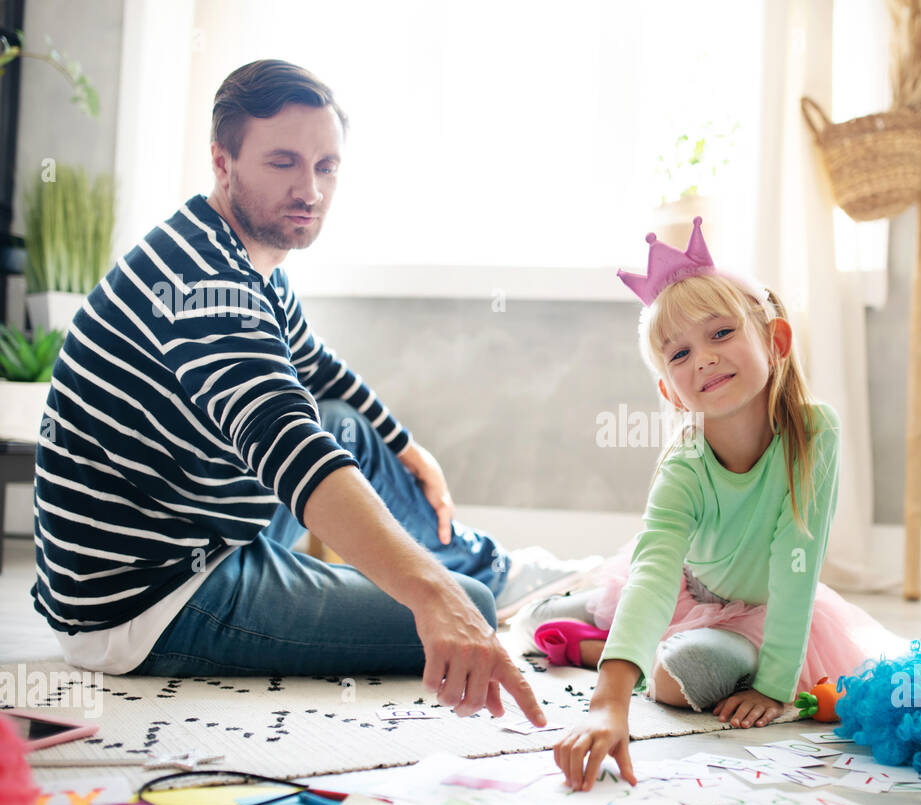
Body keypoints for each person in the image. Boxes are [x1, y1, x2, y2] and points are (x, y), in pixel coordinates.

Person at [30, 59, 570, 723]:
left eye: (326, 166)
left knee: (343, 423)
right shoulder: (208, 286)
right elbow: (289, 443)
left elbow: (315, 371)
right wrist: (433, 596)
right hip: (146, 601)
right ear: (222, 162)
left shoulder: (243, 259)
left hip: (201, 528)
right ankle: (482, 583)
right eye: (282, 162)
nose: (308, 189)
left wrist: (406, 446)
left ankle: (493, 569)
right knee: (466, 609)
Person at [541, 218, 905, 789]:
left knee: (677, 680)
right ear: (669, 390)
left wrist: (775, 686)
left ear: (775, 341)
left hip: (760, 614)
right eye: (679, 354)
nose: (704, 360)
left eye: (720, 334)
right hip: (689, 594)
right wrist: (607, 705)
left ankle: (602, 647)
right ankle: (593, 633)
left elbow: (796, 563)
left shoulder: (814, 433)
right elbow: (655, 573)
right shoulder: (684, 467)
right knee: (546, 621)